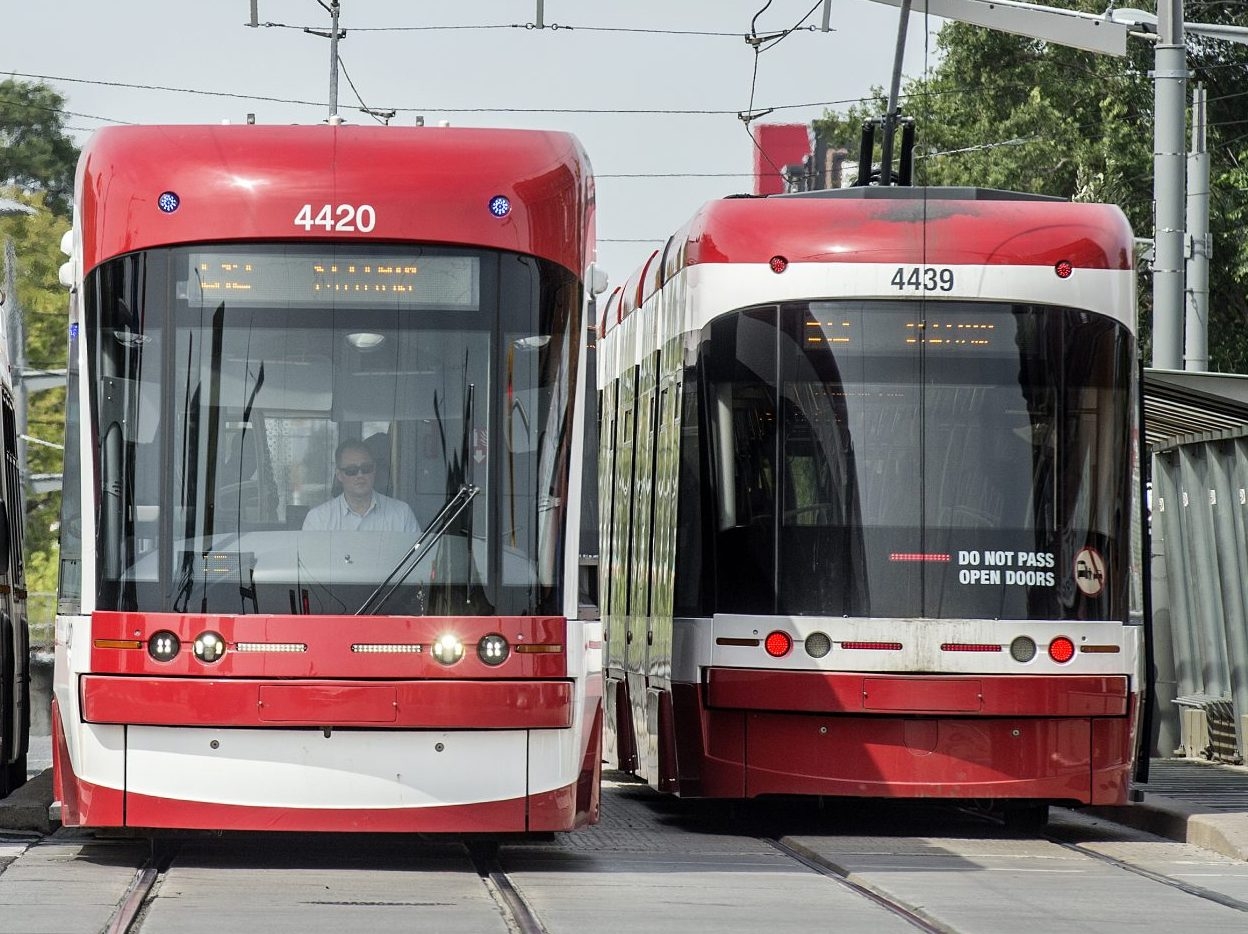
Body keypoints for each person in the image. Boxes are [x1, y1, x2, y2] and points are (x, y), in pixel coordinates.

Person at [302, 439, 420, 533]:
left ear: (374, 470)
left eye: (366, 468)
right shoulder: (318, 519)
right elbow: (308, 561)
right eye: (352, 470)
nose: (360, 475)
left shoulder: (402, 514)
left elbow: (417, 558)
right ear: (339, 475)